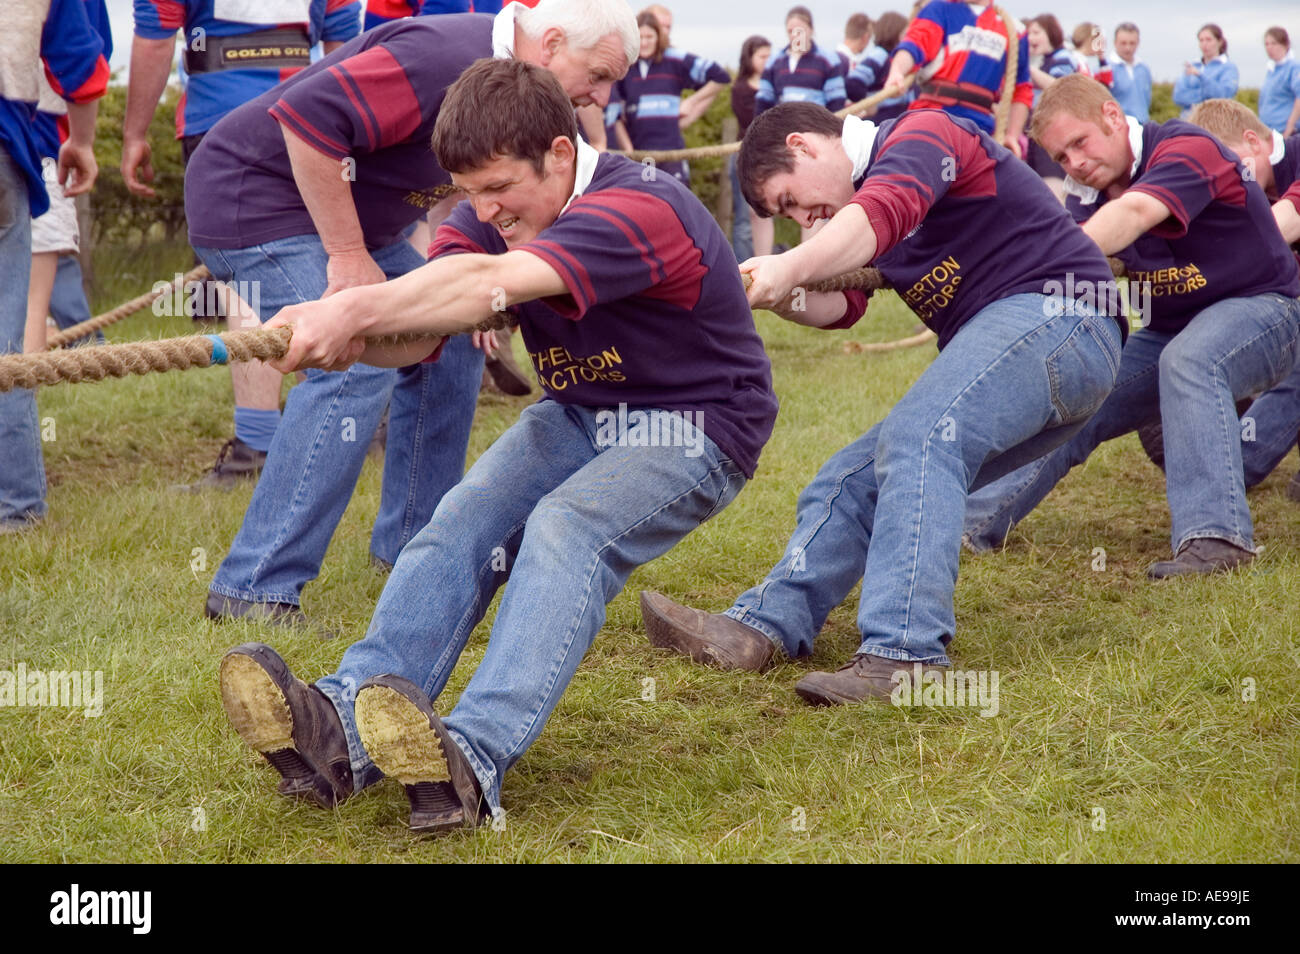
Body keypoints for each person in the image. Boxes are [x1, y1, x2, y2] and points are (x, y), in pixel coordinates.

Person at [217, 57, 777, 830]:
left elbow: (488, 285)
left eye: (497, 188)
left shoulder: (640, 207)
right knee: (462, 516)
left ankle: (470, 758)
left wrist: (353, 309)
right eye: (469, 192)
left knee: (565, 528)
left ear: (557, 152)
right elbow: (427, 325)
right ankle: (343, 728)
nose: (483, 210)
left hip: (697, 423)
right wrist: (351, 340)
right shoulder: (491, 214)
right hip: (581, 413)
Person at [641, 98, 1124, 703]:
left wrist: (790, 265)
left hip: (1063, 323)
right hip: (1035, 357)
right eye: (784, 218)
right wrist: (768, 293)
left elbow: (878, 215)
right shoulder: (861, 211)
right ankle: (757, 628)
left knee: (921, 439)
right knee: (847, 480)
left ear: (803, 146)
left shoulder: (924, 132)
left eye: (788, 200)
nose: (801, 219)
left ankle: (906, 656)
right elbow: (840, 306)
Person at [190, 0, 638, 626]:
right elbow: (304, 116)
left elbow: (451, 193)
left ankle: (413, 549)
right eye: (599, 75)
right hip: (257, 202)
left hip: (358, 226)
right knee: (352, 361)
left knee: (450, 338)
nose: (597, 97)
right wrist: (347, 259)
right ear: (553, 43)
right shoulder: (445, 58)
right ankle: (253, 588)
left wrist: (461, 288)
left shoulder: (503, 88)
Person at [963, 75, 1300, 578]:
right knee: (1081, 389)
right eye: (1060, 157)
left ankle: (1217, 540)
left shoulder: (1189, 147)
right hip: (1174, 327)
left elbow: (1136, 211)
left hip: (1268, 309)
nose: (1074, 163)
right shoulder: (1088, 190)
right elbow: (1060, 255)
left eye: (1080, 142)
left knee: (1189, 361)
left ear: (1114, 117)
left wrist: (1045, 258)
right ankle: (970, 522)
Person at [127, 0, 362, 489]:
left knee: (247, 274)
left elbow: (155, 36)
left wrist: (134, 134)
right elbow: (344, 47)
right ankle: (333, 429)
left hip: (220, 118)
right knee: (308, 266)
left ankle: (259, 444)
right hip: (308, 116)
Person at [1, 0, 107, 533]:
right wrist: (82, 141)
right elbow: (85, 59)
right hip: (16, 146)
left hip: (29, 149)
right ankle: (15, 504)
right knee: (10, 338)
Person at [1184, 97, 1300, 497]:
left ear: (1254, 140)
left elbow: (1278, 229)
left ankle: (1232, 468)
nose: (1223, 180)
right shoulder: (1244, 184)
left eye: (1229, 166)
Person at [882, 0, 1031, 158]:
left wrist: (1012, 136)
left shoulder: (1016, 30)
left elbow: (1021, 90)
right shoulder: (938, 9)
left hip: (982, 132)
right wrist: (897, 71)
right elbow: (913, 45)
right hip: (931, 118)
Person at [608, 10, 728, 184]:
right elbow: (616, 116)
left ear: (659, 37)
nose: (645, 42)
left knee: (676, 202)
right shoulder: (625, 67)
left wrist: (691, 103)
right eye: (640, 37)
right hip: (641, 155)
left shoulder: (675, 60)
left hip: (672, 153)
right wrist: (628, 150)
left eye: (650, 37)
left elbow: (720, 77)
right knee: (645, 203)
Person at [755, 6, 847, 117]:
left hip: (816, 127)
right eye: (790, 31)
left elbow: (836, 102)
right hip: (781, 129)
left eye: (800, 31)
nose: (795, 36)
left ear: (811, 30)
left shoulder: (829, 60)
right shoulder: (774, 61)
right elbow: (764, 101)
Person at [730, 34, 772, 260]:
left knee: (767, 212)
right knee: (746, 219)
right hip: (744, 155)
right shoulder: (740, 89)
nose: (767, 61)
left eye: (769, 56)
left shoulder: (774, 85)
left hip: (770, 156)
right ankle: (742, 269)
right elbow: (751, 120)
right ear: (750, 57)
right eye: (762, 56)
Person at [1025, 13, 1076, 195]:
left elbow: (1059, 86)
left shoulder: (1063, 58)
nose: (1031, 37)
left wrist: (1028, 69)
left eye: (1036, 32)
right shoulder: (1043, 60)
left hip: (1052, 128)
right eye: (1028, 33)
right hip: (1036, 129)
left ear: (1051, 33)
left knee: (1051, 181)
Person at [844, 10, 910, 122]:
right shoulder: (880, 55)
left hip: (896, 119)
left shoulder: (899, 58)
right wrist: (868, 103)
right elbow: (853, 83)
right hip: (881, 120)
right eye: (904, 34)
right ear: (894, 33)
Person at [1173, 23, 1238, 118]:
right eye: (1201, 40)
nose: (1204, 44)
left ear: (1219, 42)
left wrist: (1201, 76)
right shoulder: (1192, 65)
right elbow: (1178, 97)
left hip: (1216, 121)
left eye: (1208, 40)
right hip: (1189, 121)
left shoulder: (1229, 68)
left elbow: (1223, 96)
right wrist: (1207, 98)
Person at [1260, 27, 1300, 137]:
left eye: (1274, 43)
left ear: (1285, 44)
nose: (1269, 47)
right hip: (1270, 131)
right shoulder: (1272, 70)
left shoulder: (1294, 68)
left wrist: (1290, 127)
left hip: (1286, 132)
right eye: (1267, 44)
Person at [1110, 21, 1151, 123]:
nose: (1128, 48)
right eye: (1123, 43)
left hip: (1143, 125)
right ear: (1115, 42)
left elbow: (1147, 100)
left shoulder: (1144, 69)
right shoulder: (1106, 69)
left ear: (1138, 43)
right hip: (1119, 126)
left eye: (1132, 43)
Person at [1069, 22, 1111, 87]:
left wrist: (1102, 59)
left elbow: (1107, 84)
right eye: (1099, 41)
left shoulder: (1082, 61)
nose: (1102, 46)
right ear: (1090, 40)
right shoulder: (1078, 62)